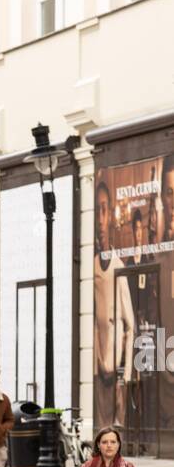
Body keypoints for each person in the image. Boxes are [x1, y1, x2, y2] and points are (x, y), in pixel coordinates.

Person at [94, 177, 135, 428]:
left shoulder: (118, 266)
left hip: (116, 365)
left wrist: (127, 372)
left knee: (116, 430)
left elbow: (130, 325)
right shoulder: (91, 268)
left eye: (104, 210)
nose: (99, 219)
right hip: (98, 369)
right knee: (102, 431)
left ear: (110, 215)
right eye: (96, 210)